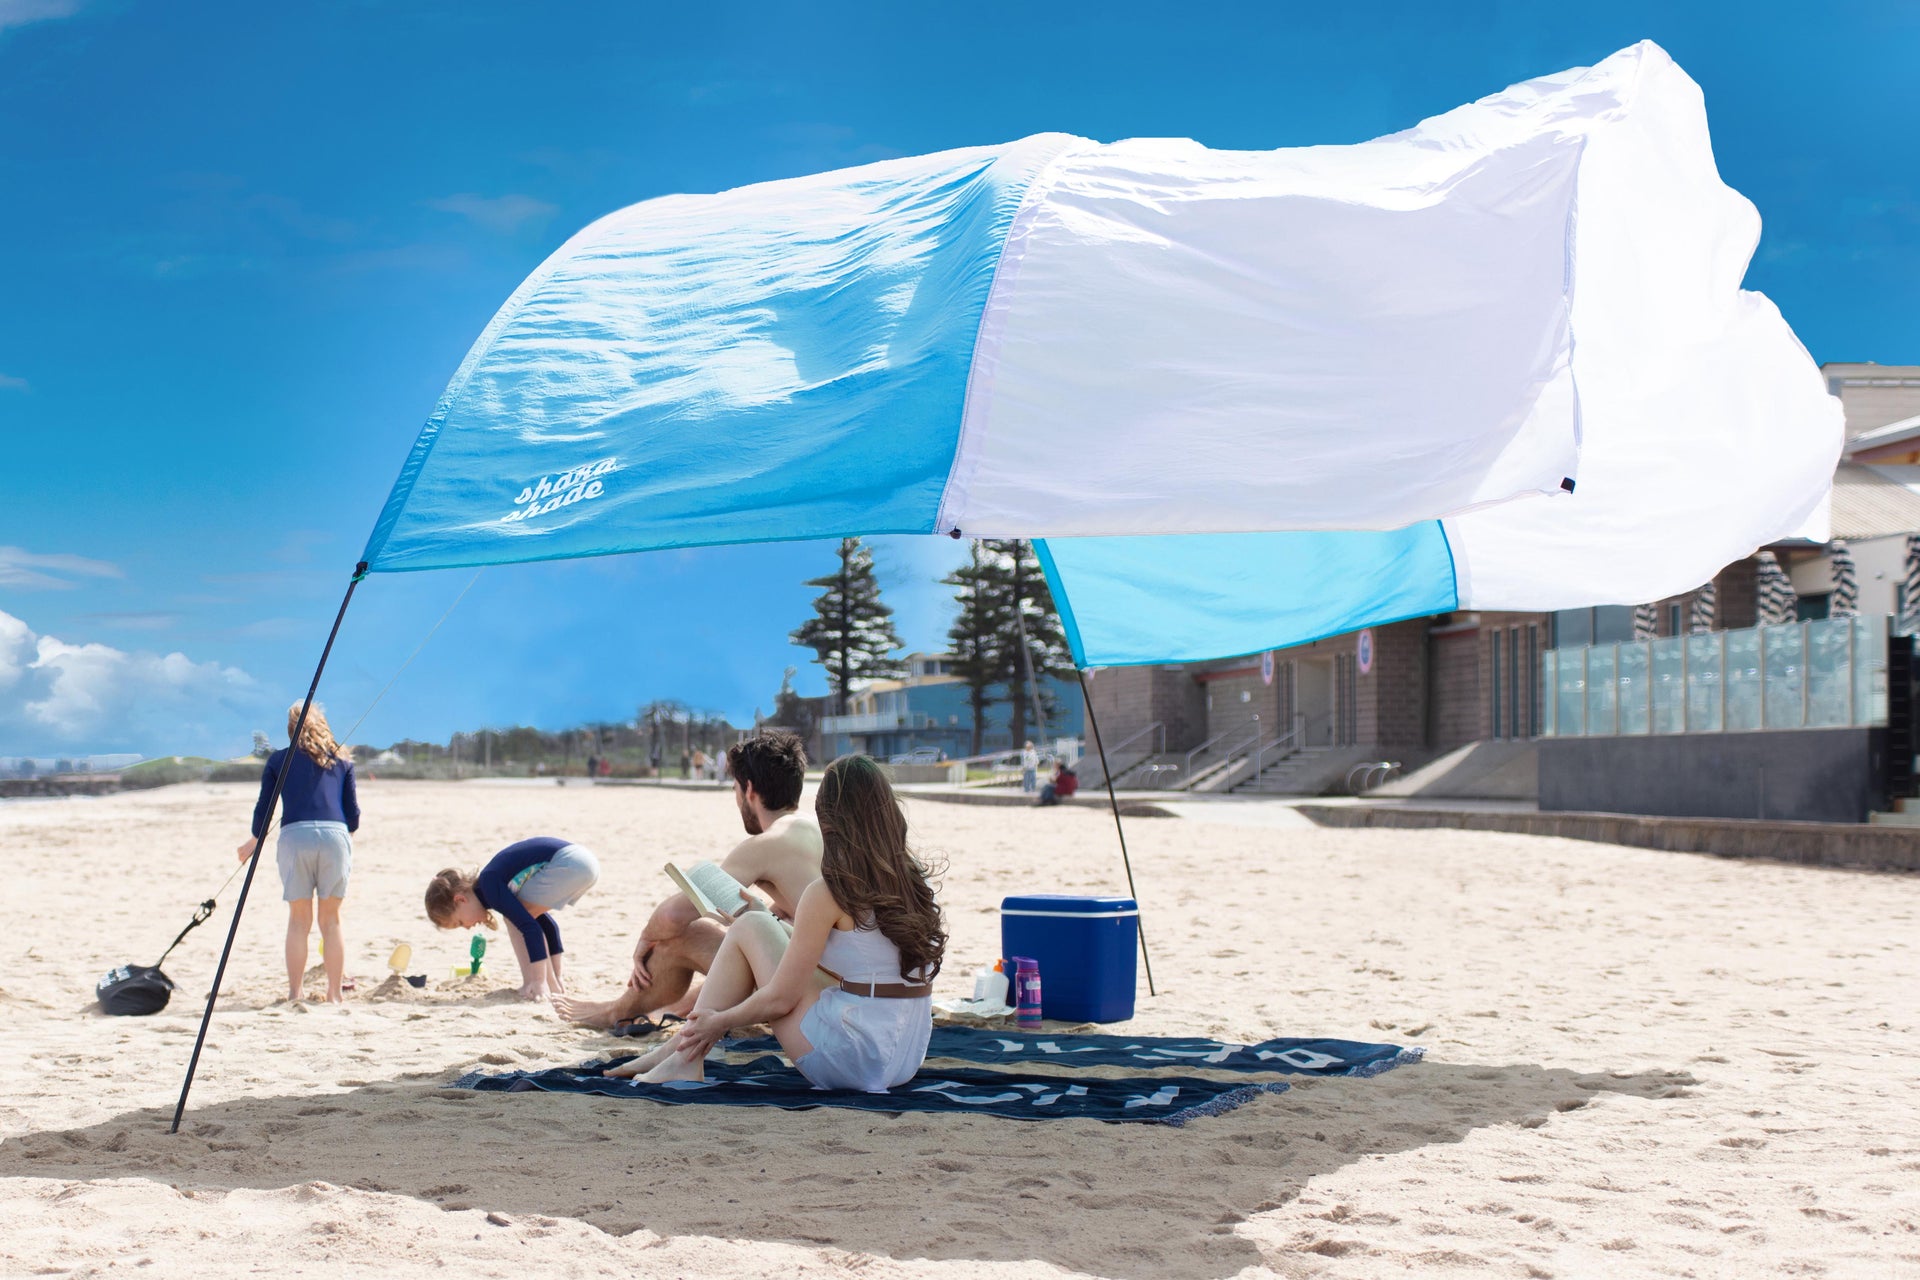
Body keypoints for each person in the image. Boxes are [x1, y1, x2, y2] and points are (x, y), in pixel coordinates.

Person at [607, 754, 945, 1090]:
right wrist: (765, 916)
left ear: (829, 820)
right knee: (755, 922)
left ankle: (684, 1055)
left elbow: (780, 1000)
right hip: (904, 1058)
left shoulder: (830, 891)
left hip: (851, 1062)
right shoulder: (916, 880)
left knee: (748, 926)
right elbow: (858, 960)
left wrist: (718, 1022)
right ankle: (677, 1052)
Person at [554, 730, 819, 1030]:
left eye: (734, 788)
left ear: (749, 789)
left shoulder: (766, 844)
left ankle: (616, 1012)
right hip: (831, 982)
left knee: (683, 935)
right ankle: (674, 1009)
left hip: (805, 992)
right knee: (738, 940)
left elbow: (673, 915)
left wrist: (646, 939)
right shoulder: (815, 829)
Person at [236, 702, 359, 1004]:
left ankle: (295, 993)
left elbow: (264, 809)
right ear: (323, 725)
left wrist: (254, 841)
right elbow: (353, 817)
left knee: (298, 921)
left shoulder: (279, 760)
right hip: (334, 835)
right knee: (331, 921)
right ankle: (334, 995)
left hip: (295, 836)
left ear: (290, 729)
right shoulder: (341, 760)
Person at [424, 837, 601, 1001]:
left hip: (568, 863)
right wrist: (558, 976)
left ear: (460, 899)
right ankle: (554, 984)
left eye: (460, 923)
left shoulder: (490, 886)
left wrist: (539, 981)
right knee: (523, 916)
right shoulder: (494, 884)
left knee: (515, 921)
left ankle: (536, 984)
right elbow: (548, 925)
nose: (468, 928)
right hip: (585, 861)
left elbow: (532, 929)